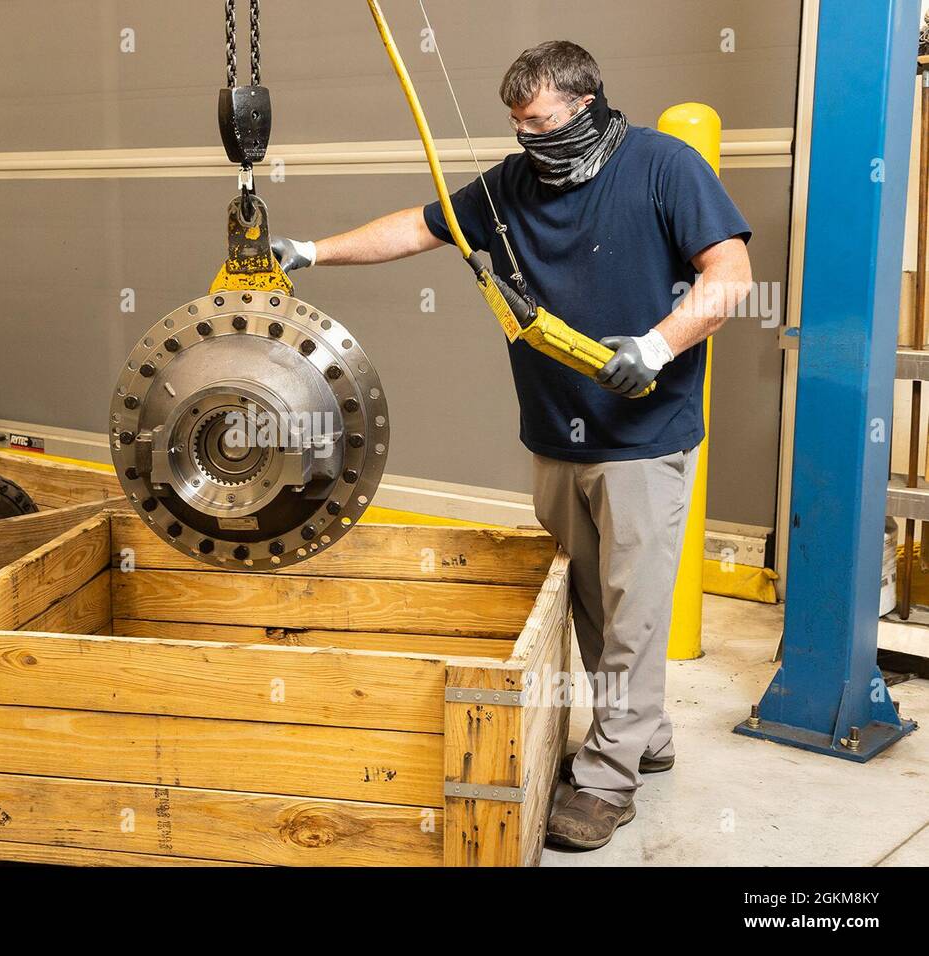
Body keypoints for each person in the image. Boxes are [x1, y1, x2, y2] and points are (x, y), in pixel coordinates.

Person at [271, 40, 752, 850]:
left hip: (643, 437)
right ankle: (645, 735)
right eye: (517, 125)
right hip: (557, 434)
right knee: (594, 603)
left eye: (541, 123)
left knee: (634, 616)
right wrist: (312, 251)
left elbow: (731, 275)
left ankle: (607, 781)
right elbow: (420, 228)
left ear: (587, 105)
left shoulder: (665, 167)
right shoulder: (513, 184)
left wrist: (658, 347)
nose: (528, 140)